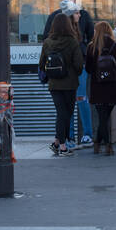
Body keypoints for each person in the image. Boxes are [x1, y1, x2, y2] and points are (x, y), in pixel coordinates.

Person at [39, 13, 84, 156]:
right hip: (70, 83)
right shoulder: (72, 41)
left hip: (54, 83)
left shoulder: (47, 42)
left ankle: (57, 142)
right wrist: (74, 72)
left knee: (61, 113)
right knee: (66, 113)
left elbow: (41, 64)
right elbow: (78, 65)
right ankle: (63, 146)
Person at [85, 21, 116, 155]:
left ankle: (102, 144)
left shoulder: (92, 47)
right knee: (105, 116)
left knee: (102, 117)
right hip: (114, 87)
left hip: (98, 87)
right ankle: (103, 144)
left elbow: (88, 69)